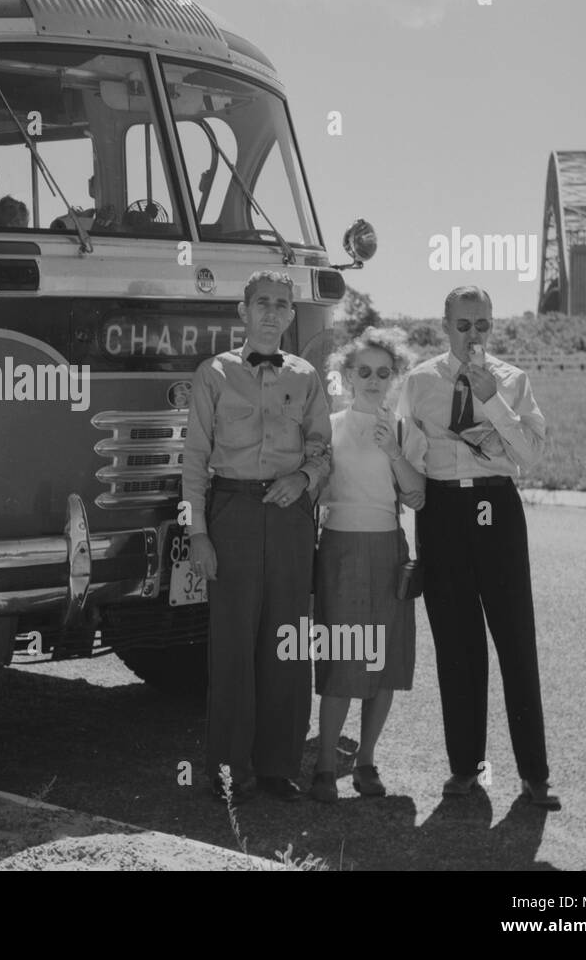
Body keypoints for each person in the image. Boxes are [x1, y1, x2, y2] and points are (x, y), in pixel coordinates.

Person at [395, 285, 560, 810]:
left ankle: (535, 775)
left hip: (497, 510)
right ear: (444, 325)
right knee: (457, 644)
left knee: (515, 639)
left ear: (494, 326)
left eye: (483, 324)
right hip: (442, 512)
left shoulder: (513, 381)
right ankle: (465, 768)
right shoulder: (419, 381)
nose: (473, 335)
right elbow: (406, 450)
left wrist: (491, 399)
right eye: (463, 324)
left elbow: (531, 454)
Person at [182, 269, 332, 803]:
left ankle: (278, 766)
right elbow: (195, 460)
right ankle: (229, 769)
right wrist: (198, 533)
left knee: (287, 642)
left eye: (282, 304)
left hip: (290, 514)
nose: (272, 312)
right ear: (243, 312)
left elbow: (322, 448)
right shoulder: (213, 374)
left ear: (292, 315)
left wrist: (304, 479)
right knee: (233, 644)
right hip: (233, 513)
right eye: (261, 302)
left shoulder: (307, 376)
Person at [309, 327, 427, 803]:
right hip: (338, 549)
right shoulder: (329, 426)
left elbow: (417, 496)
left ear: (394, 377)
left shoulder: (402, 428)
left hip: (388, 549)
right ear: (346, 376)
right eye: (364, 371)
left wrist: (394, 452)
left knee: (384, 662)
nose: (374, 380)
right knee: (341, 660)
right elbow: (315, 493)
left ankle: (366, 762)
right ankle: (322, 768)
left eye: (384, 372)